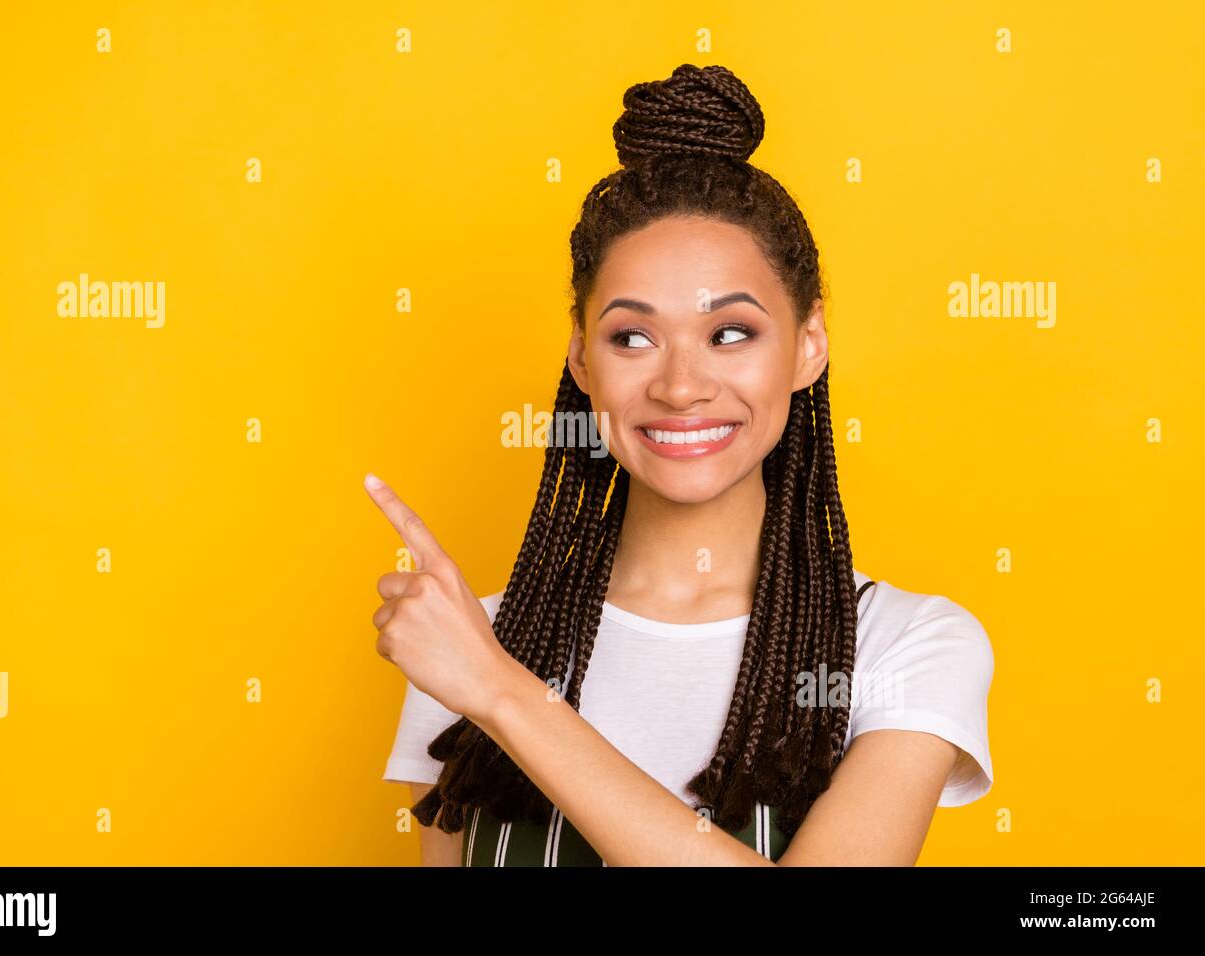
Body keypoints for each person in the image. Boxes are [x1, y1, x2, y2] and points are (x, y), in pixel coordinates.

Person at [371, 63, 994, 866]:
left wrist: (498, 693)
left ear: (809, 347)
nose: (680, 386)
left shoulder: (905, 645)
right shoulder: (471, 639)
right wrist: (480, 670)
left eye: (731, 333)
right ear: (581, 358)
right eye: (632, 336)